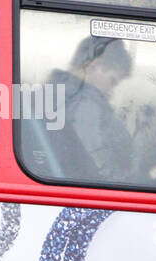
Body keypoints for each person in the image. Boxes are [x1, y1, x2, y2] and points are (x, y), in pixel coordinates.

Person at [47, 35, 136, 182]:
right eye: (112, 81)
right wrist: (129, 183)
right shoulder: (85, 103)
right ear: (95, 66)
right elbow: (95, 158)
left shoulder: (53, 94)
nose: (110, 93)